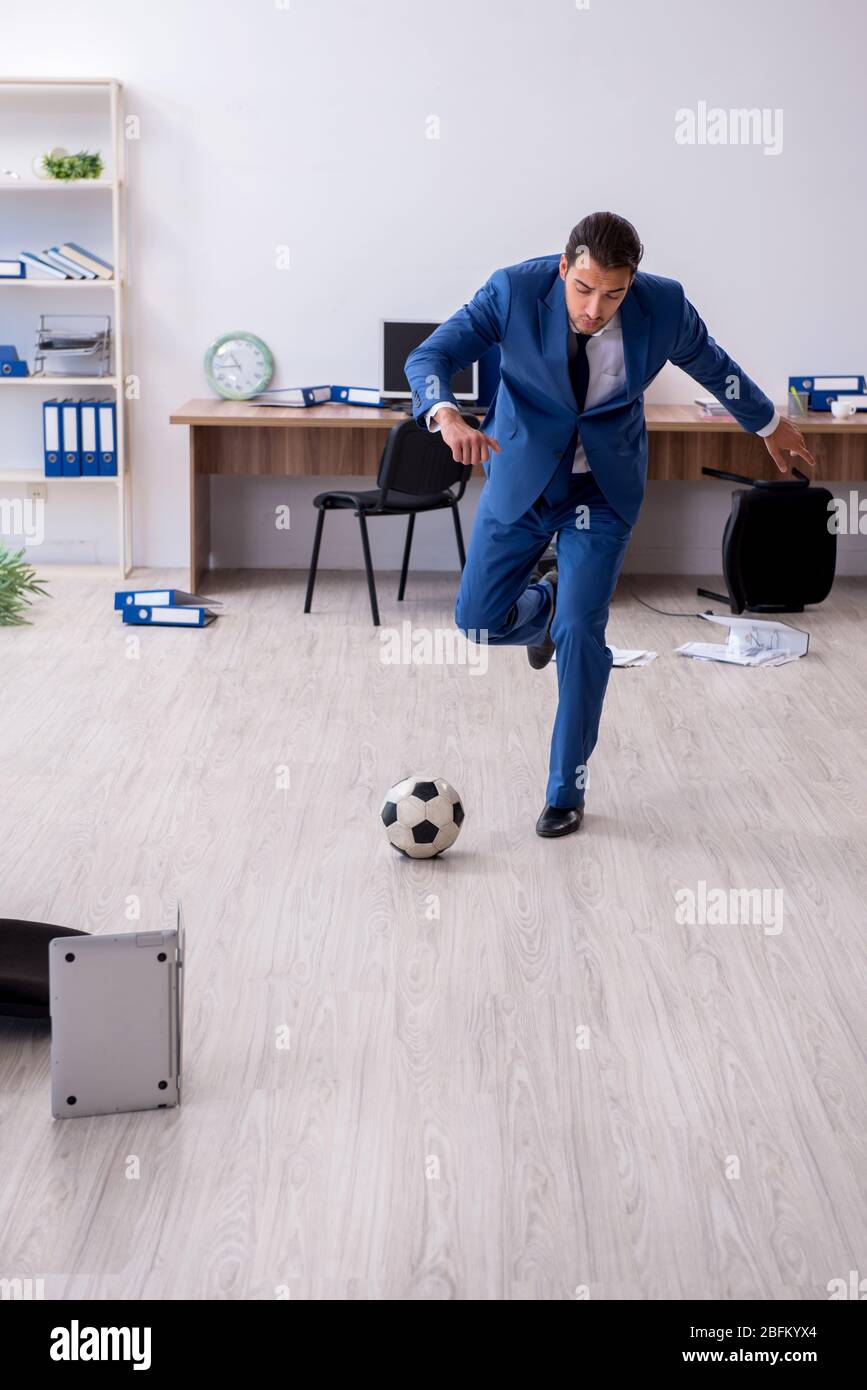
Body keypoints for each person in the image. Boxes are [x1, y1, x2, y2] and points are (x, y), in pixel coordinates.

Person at [404, 212, 816, 838]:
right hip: (521, 479)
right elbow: (431, 354)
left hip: (602, 488)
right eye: (584, 289)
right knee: (479, 623)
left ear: (633, 283)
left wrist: (766, 423)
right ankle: (544, 605)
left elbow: (713, 364)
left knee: (581, 632)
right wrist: (445, 413)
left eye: (613, 294)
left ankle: (565, 790)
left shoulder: (665, 306)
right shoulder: (512, 291)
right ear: (565, 267)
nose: (595, 308)